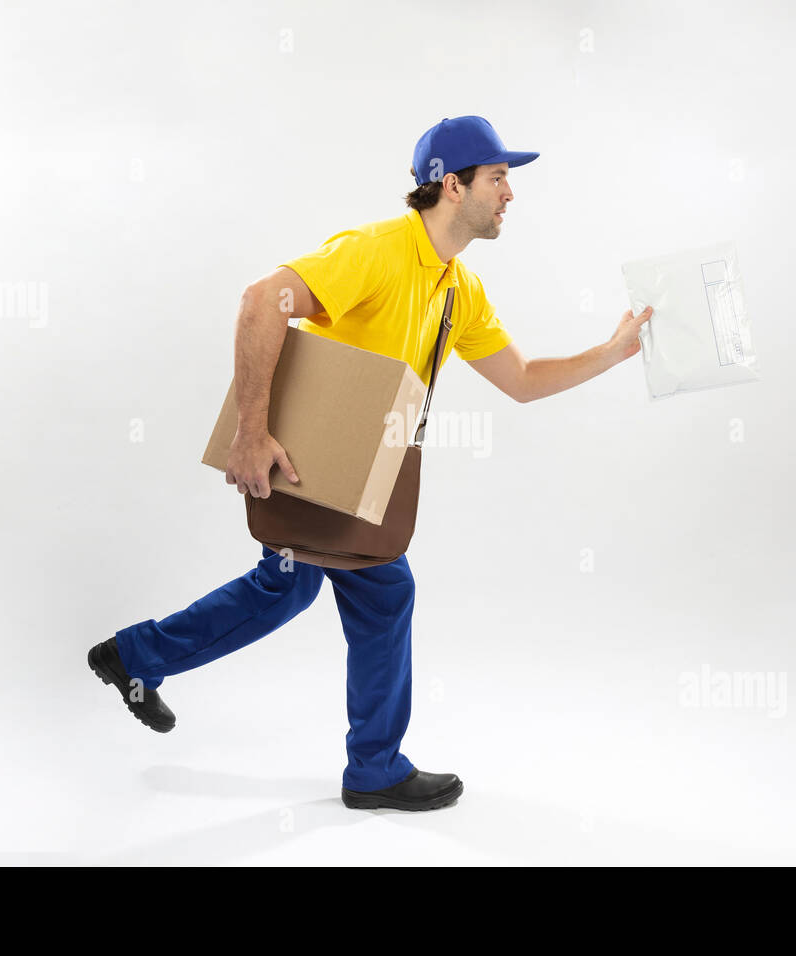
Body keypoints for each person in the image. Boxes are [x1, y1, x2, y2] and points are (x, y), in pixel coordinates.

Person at [88, 115, 653, 811]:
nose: (511, 194)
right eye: (500, 178)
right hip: (316, 462)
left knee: (296, 586)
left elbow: (524, 379)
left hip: (361, 470)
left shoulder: (459, 289)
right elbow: (263, 300)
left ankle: (138, 657)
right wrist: (250, 432)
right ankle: (374, 769)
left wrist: (613, 351)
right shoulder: (376, 251)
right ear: (453, 184)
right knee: (372, 590)